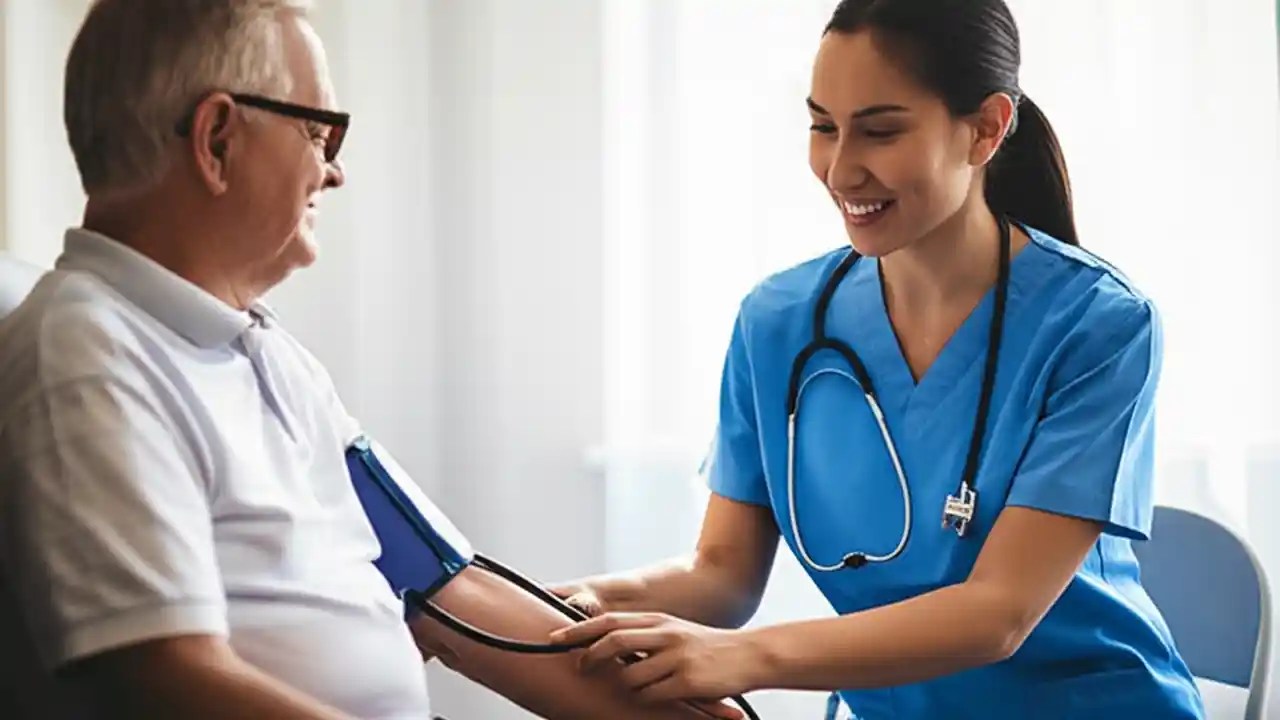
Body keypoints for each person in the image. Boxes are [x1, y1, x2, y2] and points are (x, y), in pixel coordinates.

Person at [0, 2, 742, 718]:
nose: (333, 172)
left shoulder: (264, 353)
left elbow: (443, 587)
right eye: (320, 132)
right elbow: (164, 681)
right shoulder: (87, 353)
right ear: (218, 138)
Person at [548, 1, 1206, 718]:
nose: (839, 168)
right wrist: (594, 600)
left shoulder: (1098, 324)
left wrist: (746, 658)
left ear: (986, 129)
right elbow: (722, 575)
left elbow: (999, 614)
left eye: (880, 131)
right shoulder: (777, 323)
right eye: (822, 127)